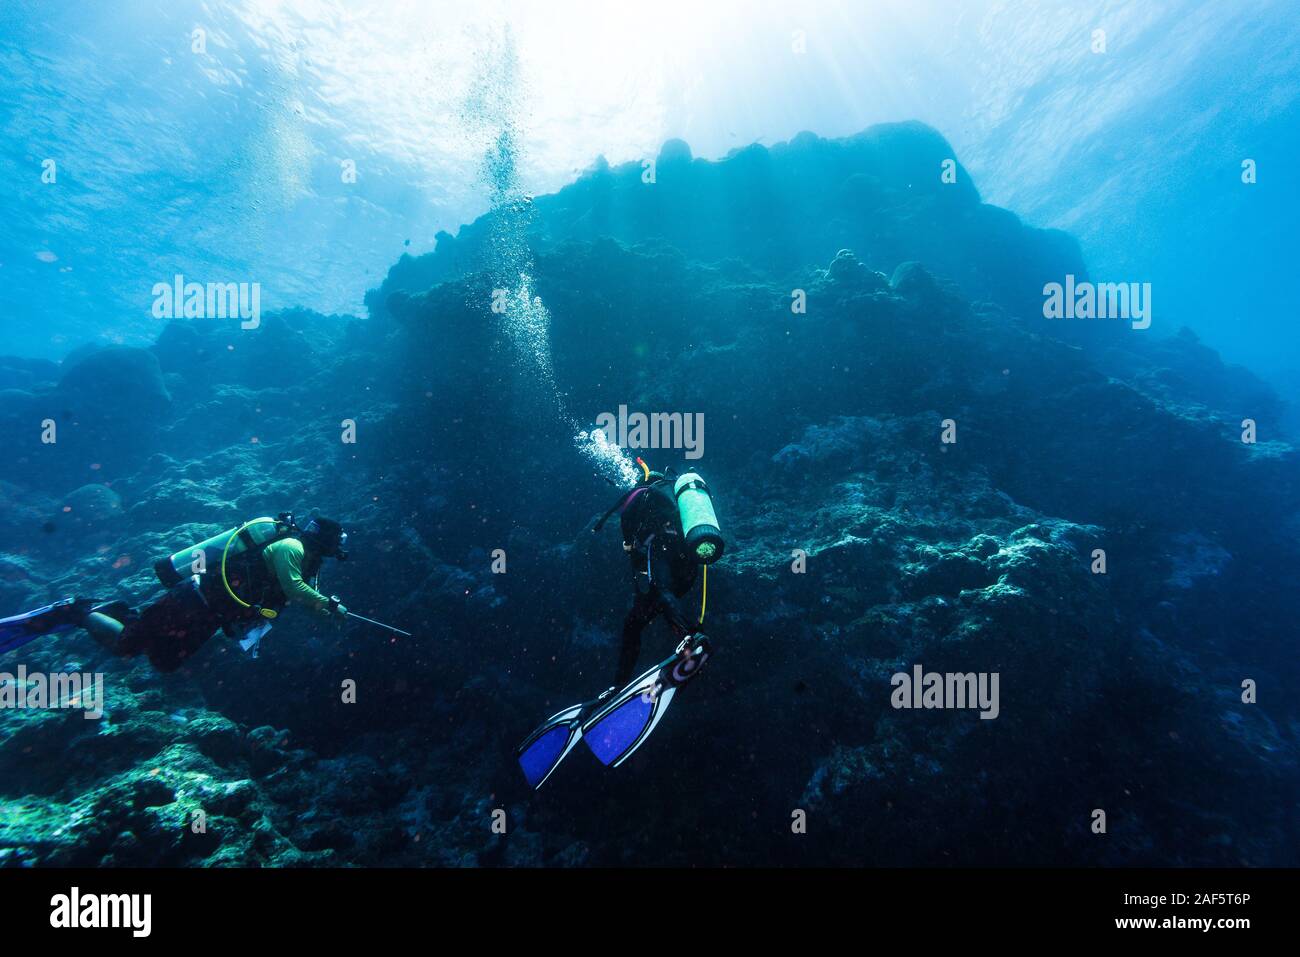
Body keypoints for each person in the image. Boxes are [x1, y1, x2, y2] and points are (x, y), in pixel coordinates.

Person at [0, 513, 350, 672]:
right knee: (127, 647)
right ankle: (77, 610)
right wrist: (326, 604)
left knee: (163, 662)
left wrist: (331, 611)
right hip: (193, 601)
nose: (337, 551)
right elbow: (294, 589)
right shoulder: (290, 546)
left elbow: (304, 597)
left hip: (213, 617)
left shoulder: (309, 564)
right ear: (327, 542)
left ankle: (124, 614)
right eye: (337, 544)